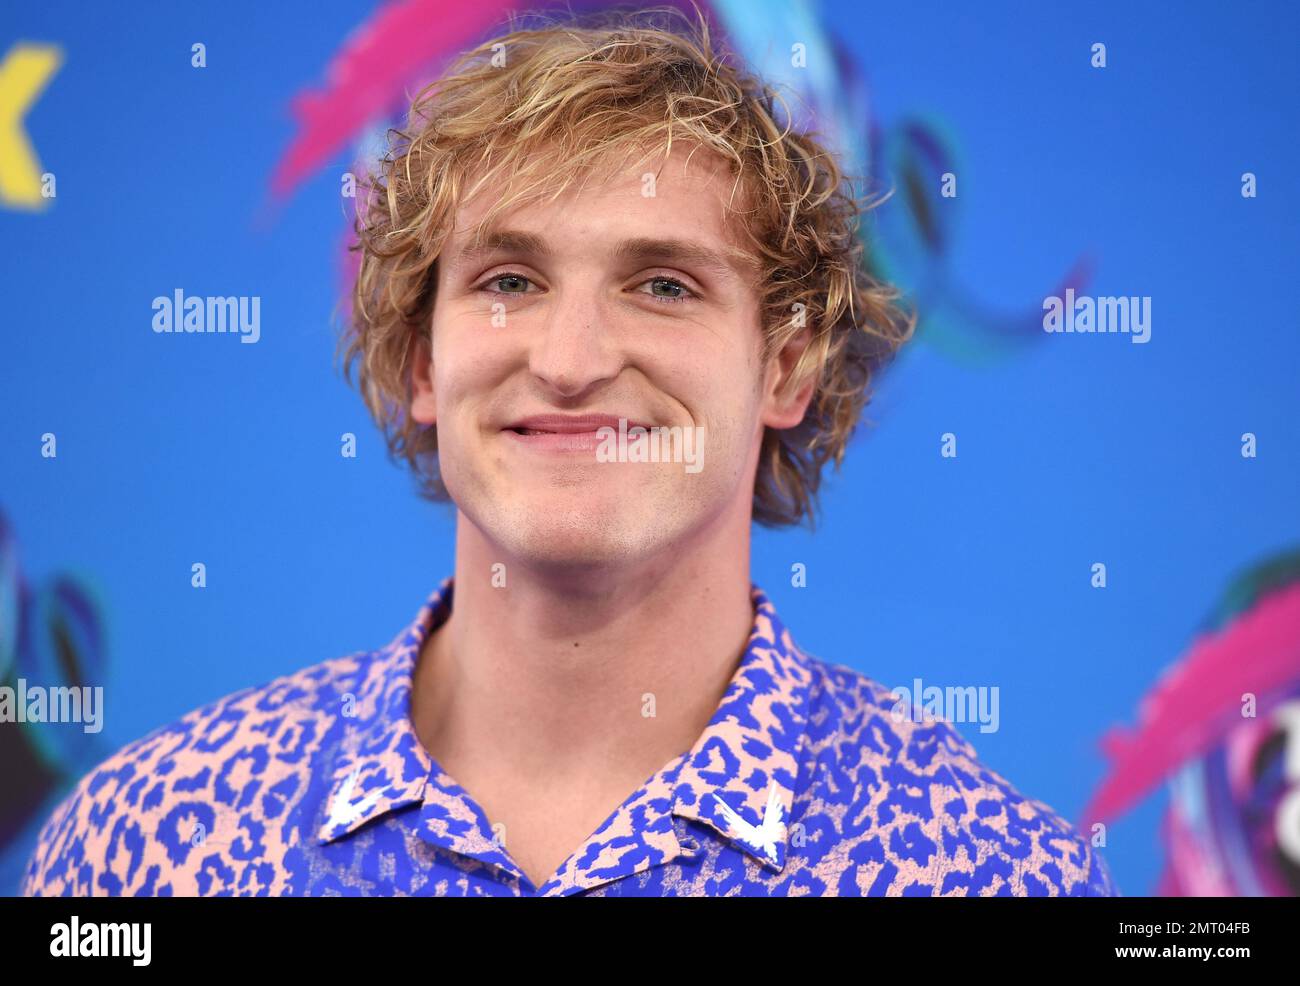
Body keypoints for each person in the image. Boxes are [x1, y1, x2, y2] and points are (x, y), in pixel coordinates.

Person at [21, 8, 1116, 896]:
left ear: (787, 367)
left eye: (662, 283)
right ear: (417, 360)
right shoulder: (144, 847)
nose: (572, 357)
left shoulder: (993, 870)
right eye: (509, 280)